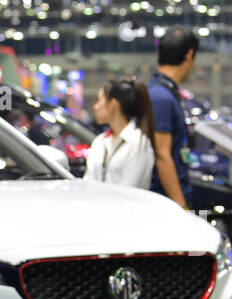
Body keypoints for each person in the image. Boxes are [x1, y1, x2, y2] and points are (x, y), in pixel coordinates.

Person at [148, 27, 199, 209]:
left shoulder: (162, 92)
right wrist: (181, 206)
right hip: (165, 203)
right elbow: (162, 154)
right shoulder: (161, 97)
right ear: (189, 55)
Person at [85, 76, 156, 188]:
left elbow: (130, 189)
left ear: (113, 104)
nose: (95, 107)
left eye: (99, 100)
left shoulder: (138, 143)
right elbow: (88, 183)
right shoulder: (100, 141)